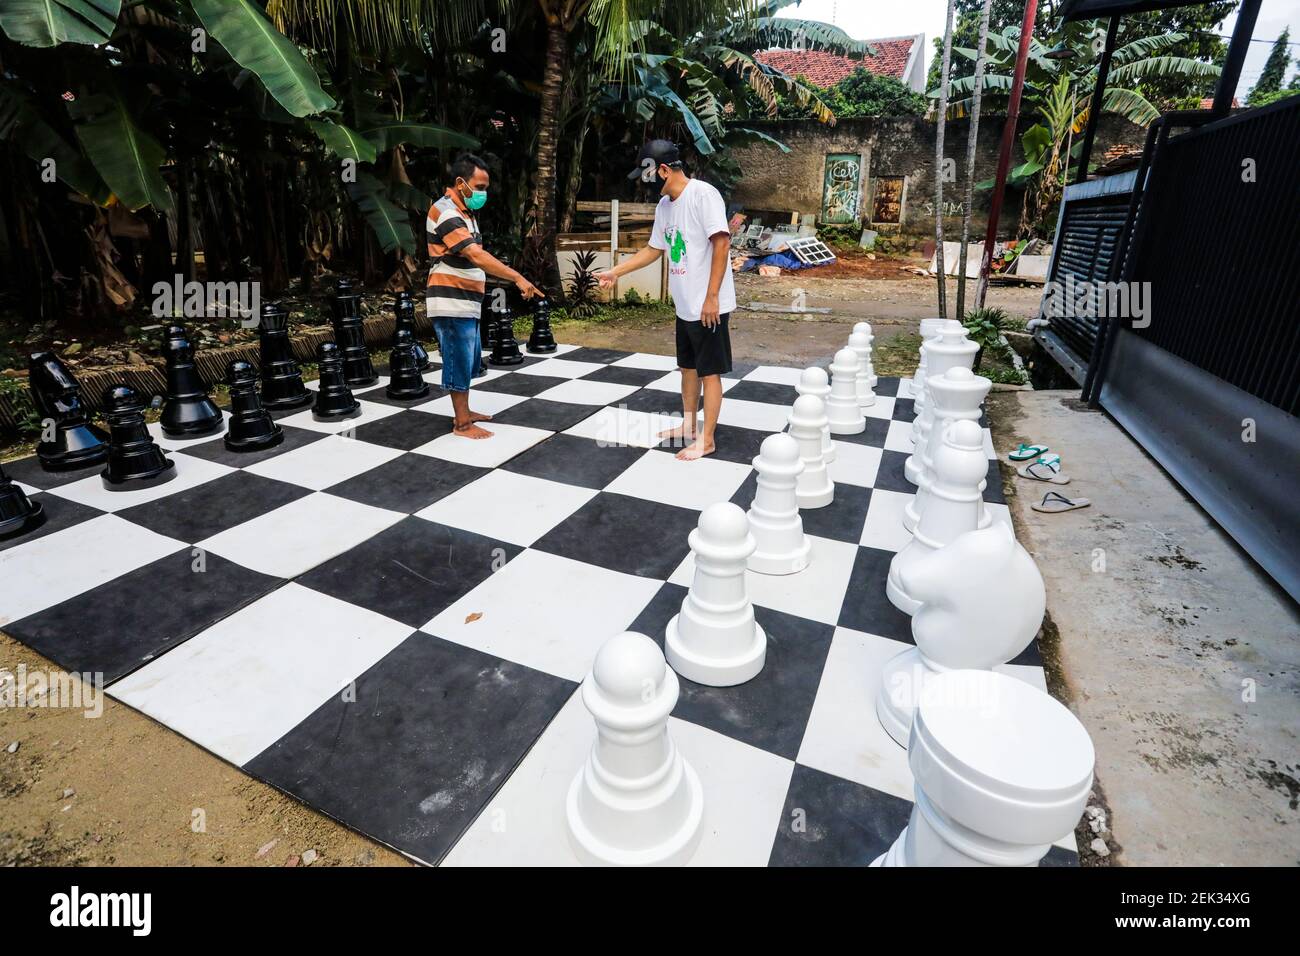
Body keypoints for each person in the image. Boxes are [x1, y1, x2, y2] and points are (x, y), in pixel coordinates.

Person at [597, 140, 736, 461]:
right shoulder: (664, 207)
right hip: (685, 304)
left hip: (708, 305)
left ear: (661, 170)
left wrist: (712, 298)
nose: (643, 184)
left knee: (709, 372)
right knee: (687, 367)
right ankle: (688, 426)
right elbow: (653, 249)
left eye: (645, 176)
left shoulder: (703, 195)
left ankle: (708, 438)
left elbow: (722, 244)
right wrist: (617, 271)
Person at [427, 153, 541, 439]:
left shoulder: (466, 213)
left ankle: (464, 412)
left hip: (466, 299)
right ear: (460, 183)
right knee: (457, 357)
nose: (483, 194)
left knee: (469, 357)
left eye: (485, 187)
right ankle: (462, 423)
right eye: (479, 187)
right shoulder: (446, 212)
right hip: (450, 299)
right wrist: (516, 276)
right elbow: (475, 255)